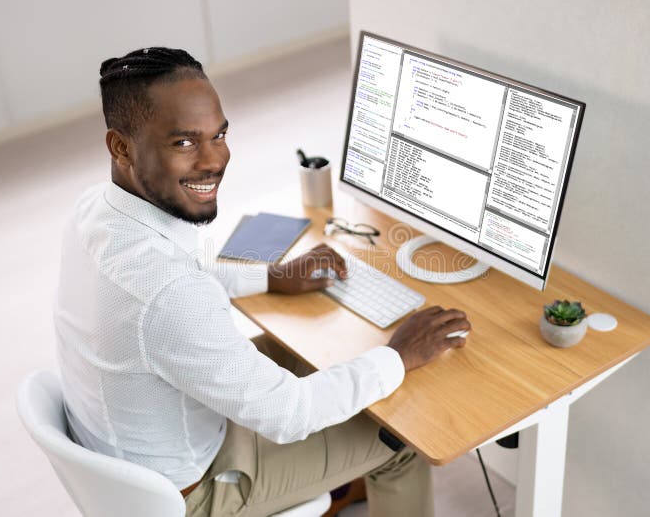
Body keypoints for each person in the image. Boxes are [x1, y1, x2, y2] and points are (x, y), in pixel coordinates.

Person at [55, 47, 471, 517]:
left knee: (310, 357)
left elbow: (174, 281)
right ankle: (366, 470)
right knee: (404, 436)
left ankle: (342, 479)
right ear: (121, 147)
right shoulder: (168, 294)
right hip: (197, 492)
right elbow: (288, 415)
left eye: (220, 134)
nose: (214, 160)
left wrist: (270, 276)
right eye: (184, 143)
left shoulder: (96, 210)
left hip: (133, 451)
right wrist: (399, 355)